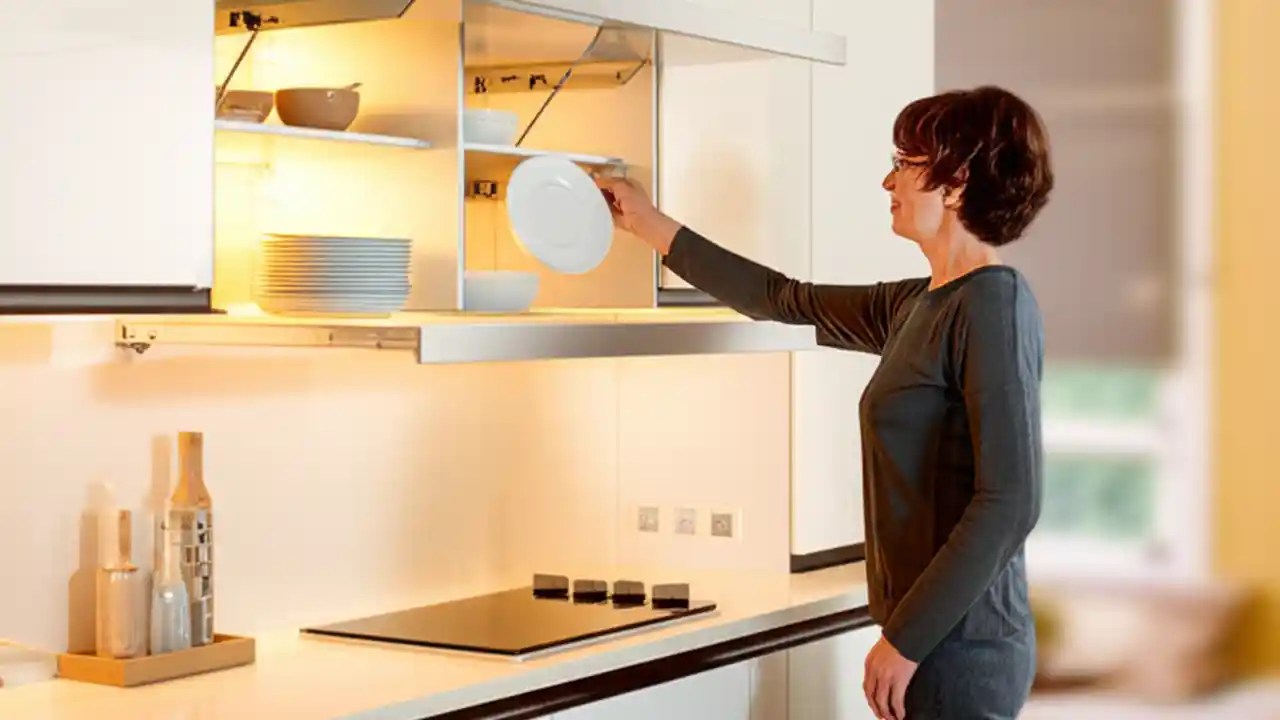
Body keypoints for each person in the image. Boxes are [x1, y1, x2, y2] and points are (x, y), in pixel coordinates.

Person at [597, 85, 1052, 720]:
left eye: (906, 163)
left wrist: (906, 639)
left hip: (960, 651)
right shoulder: (917, 304)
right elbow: (784, 298)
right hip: (929, 643)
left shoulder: (992, 304)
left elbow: (1010, 500)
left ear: (957, 183)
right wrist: (644, 221)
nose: (888, 181)